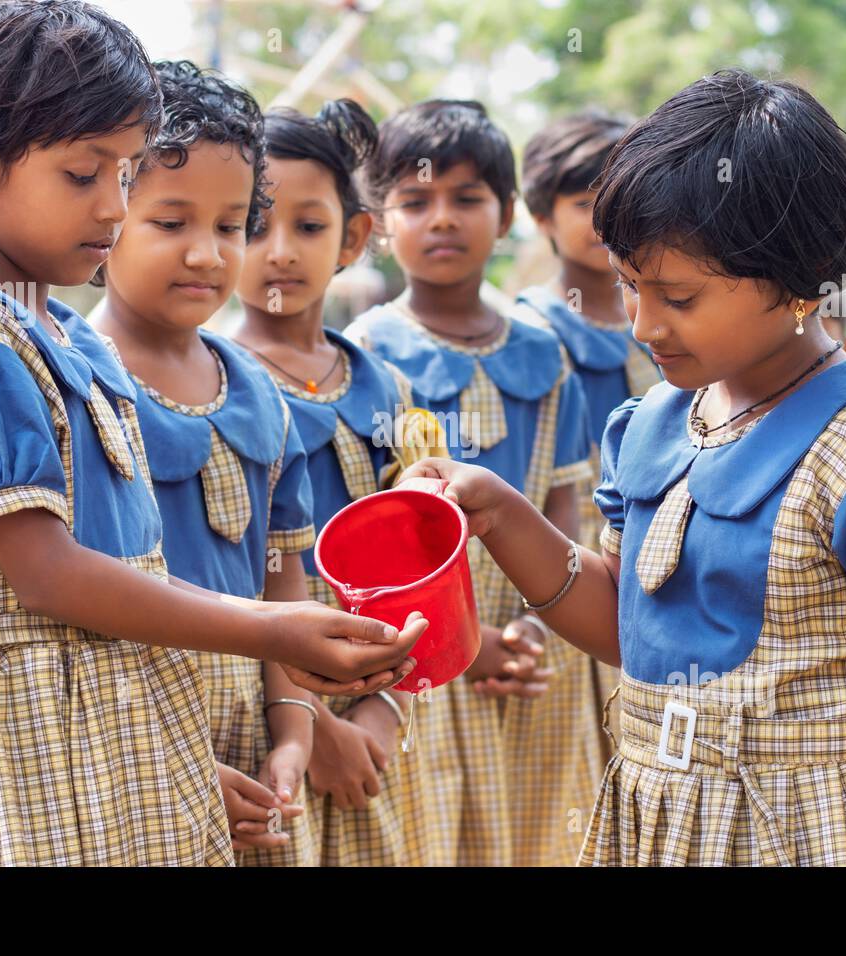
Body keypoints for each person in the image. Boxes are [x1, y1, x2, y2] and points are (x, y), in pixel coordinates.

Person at [400, 70, 846, 866]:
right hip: (659, 824)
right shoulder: (650, 426)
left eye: (678, 297)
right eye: (628, 287)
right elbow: (624, 626)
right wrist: (503, 512)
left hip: (806, 835)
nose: (644, 324)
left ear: (798, 280)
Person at [0, 0, 423, 866]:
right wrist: (270, 631)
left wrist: (287, 678)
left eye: (126, 177)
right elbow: (47, 572)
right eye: (83, 175)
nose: (111, 207)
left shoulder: (69, 338)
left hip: (133, 720)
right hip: (42, 736)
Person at [347, 100, 598, 867]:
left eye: (466, 199)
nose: (442, 220)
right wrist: (466, 640)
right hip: (420, 647)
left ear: (509, 212)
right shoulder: (365, 356)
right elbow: (363, 532)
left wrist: (531, 624)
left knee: (542, 829)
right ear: (382, 221)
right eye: (415, 202)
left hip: (533, 648)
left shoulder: (546, 354)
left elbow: (563, 503)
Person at [90, 61, 322, 864]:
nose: (206, 255)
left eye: (229, 227)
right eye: (170, 222)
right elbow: (73, 604)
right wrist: (179, 768)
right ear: (105, 213)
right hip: (117, 747)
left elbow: (281, 581)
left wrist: (292, 736)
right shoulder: (76, 380)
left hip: (250, 760)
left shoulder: (260, 393)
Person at [232, 99, 436, 866]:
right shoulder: (213, 386)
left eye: (308, 227)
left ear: (354, 237)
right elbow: (227, 578)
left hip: (381, 717)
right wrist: (311, 724)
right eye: (252, 225)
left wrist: (382, 708)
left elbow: (420, 566)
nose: (278, 250)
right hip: (260, 723)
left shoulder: (385, 388)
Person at [515, 110, 661, 767]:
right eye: (584, 204)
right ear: (541, 216)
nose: (607, 222)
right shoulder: (524, 332)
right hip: (570, 573)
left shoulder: (671, 323)